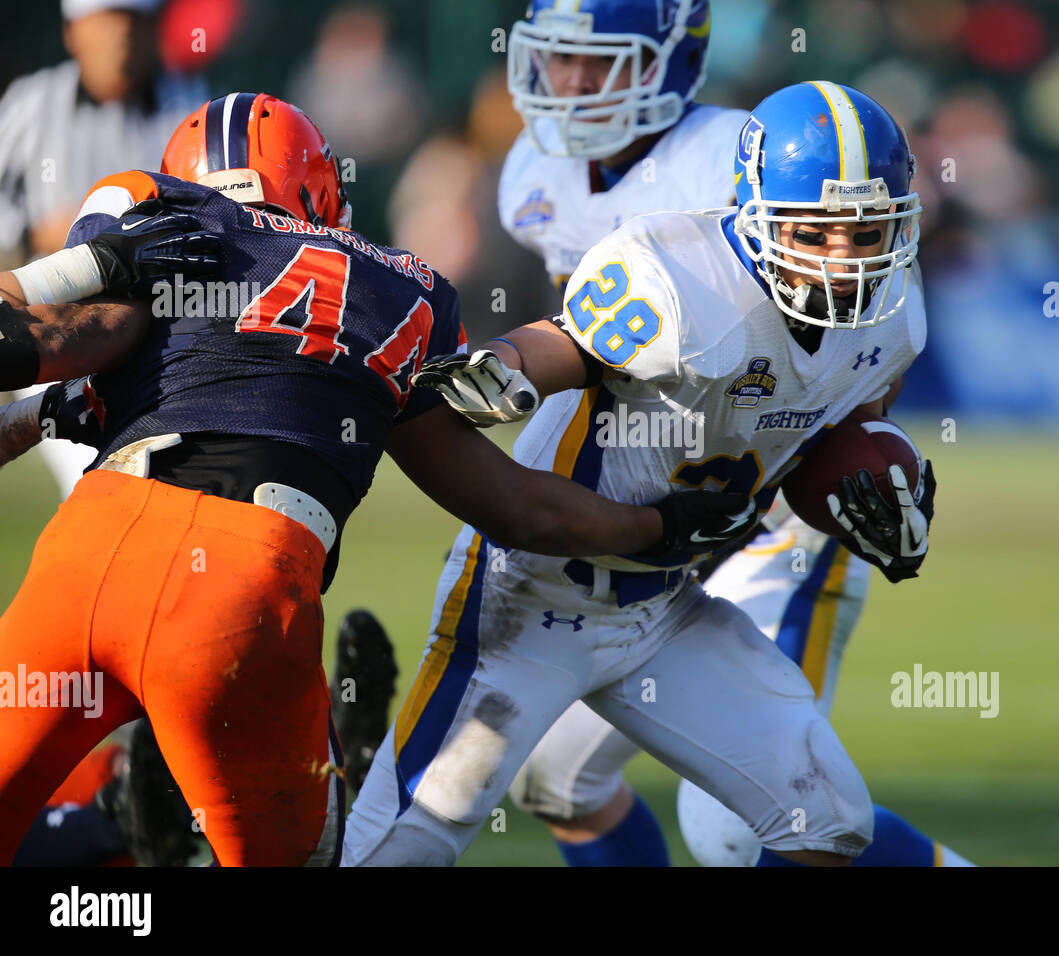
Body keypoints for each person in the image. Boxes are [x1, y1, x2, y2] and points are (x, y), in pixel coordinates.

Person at [0, 91, 754, 866]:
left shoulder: (158, 222)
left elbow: (30, 341)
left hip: (80, 560)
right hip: (237, 584)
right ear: (321, 193)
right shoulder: (400, 287)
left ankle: (124, 823)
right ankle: (283, 781)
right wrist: (657, 526)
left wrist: (73, 279)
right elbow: (518, 507)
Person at [343, 81, 936, 867]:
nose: (843, 259)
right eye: (814, 231)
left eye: (866, 232)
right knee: (401, 849)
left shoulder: (894, 315)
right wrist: (503, 366)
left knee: (828, 817)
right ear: (757, 214)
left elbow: (839, 425)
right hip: (534, 600)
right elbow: (563, 344)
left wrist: (876, 490)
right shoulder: (683, 280)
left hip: (666, 607)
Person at [495, 0, 970, 867]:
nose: (574, 83)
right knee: (554, 781)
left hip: (767, 509)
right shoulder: (533, 172)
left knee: (741, 829)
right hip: (663, 508)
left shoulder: (734, 156)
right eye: (560, 59)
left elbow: (857, 338)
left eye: (602, 60)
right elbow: (595, 353)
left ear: (671, 59)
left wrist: (845, 448)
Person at [0, 0, 208, 498]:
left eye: (132, 21)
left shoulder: (191, 102)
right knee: (102, 484)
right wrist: (40, 239)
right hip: (58, 323)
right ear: (73, 33)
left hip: (164, 329)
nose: (121, 36)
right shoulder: (31, 104)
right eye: (107, 21)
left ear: (154, 27)